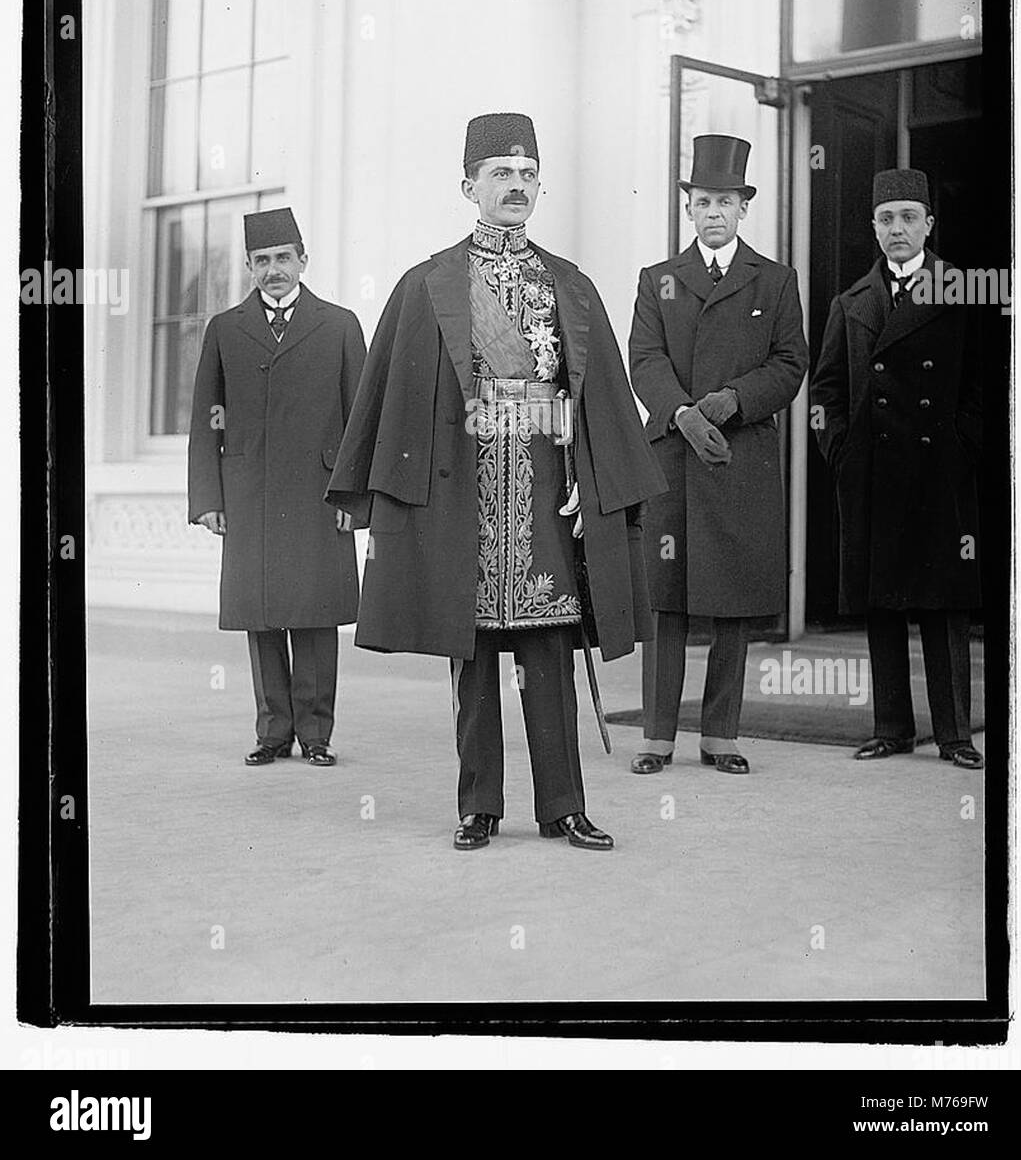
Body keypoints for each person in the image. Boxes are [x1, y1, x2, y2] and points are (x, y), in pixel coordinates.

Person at [327, 112, 665, 850]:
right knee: (472, 657)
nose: (516, 187)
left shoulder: (568, 285)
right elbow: (393, 396)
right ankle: (478, 806)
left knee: (549, 653)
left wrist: (591, 474)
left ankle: (563, 808)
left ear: (540, 186)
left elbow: (598, 396)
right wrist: (375, 498)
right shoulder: (429, 286)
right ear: (469, 186)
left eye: (527, 175)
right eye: (500, 175)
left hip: (547, 491)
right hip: (463, 495)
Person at [628, 134, 808, 776]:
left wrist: (732, 401)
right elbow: (642, 361)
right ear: (690, 208)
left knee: (733, 596)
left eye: (725, 202)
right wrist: (681, 411)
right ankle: (655, 735)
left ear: (742, 208)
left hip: (740, 457)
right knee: (666, 598)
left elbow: (791, 364)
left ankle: (721, 734)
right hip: (674, 458)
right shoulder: (659, 282)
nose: (713, 213)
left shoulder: (777, 281)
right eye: (703, 201)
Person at [810, 167, 984, 770]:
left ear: (929, 224)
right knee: (882, 600)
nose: (897, 230)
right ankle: (892, 728)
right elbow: (824, 389)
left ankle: (956, 733)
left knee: (942, 604)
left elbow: (987, 382)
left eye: (909, 217)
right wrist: (839, 447)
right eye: (886, 219)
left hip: (941, 469)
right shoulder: (851, 301)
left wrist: (965, 443)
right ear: (874, 228)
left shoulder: (963, 290)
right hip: (874, 471)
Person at [188, 207, 367, 767]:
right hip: (249, 494)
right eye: (262, 261)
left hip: (319, 493)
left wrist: (355, 499)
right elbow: (206, 416)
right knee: (261, 613)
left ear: (302, 261)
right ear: (248, 266)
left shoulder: (339, 325)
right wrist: (209, 499)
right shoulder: (225, 329)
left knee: (314, 612)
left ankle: (316, 733)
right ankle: (272, 731)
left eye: (283, 259)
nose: (273, 270)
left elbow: (361, 421)